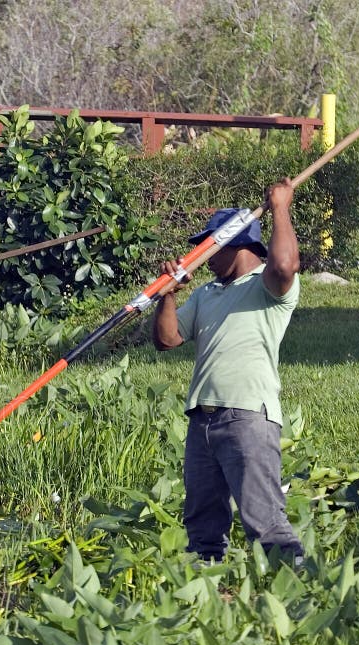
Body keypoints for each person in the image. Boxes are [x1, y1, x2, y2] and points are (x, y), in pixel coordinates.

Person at [152, 178, 304, 564]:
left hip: (247, 417)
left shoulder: (267, 286)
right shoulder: (206, 293)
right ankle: (210, 602)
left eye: (208, 247)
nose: (201, 256)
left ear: (234, 245)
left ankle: (303, 591)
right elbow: (167, 339)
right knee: (202, 531)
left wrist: (280, 207)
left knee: (266, 522)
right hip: (201, 421)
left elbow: (285, 263)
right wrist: (168, 294)